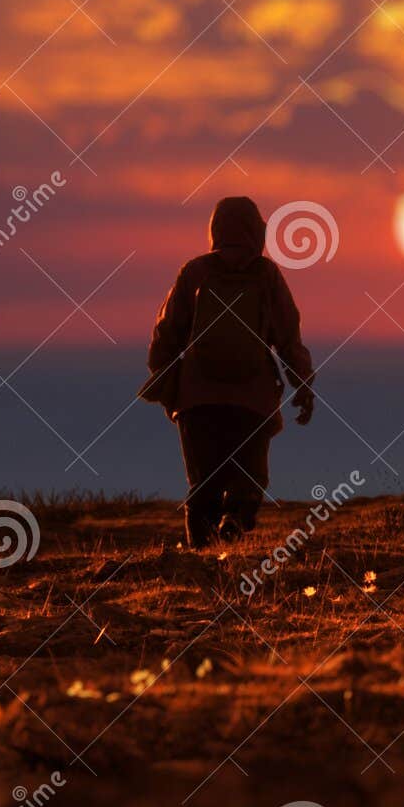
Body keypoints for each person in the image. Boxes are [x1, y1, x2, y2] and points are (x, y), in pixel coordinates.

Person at [140, 197, 315, 549]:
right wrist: (304, 385)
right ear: (257, 230)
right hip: (252, 401)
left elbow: (167, 332)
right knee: (248, 479)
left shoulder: (195, 272)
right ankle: (235, 518)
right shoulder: (266, 275)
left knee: (202, 482)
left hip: (198, 400)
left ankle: (200, 560)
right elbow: (287, 336)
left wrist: (165, 379)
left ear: (214, 230)